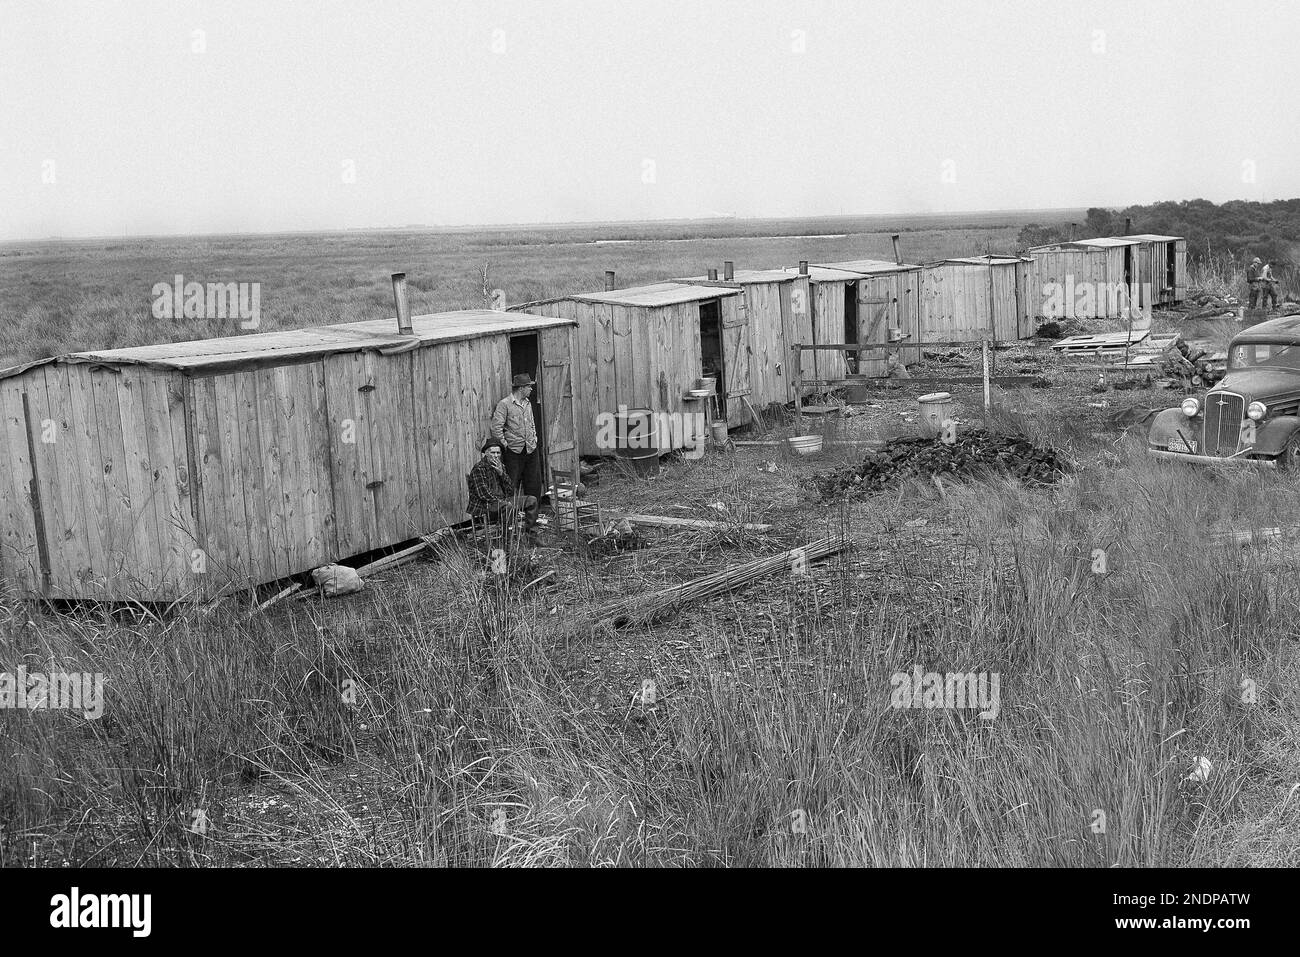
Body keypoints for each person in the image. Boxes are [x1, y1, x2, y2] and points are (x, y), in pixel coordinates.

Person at [491, 373, 544, 504]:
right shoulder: (505, 404)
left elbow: (532, 423)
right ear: (521, 388)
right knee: (511, 485)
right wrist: (505, 446)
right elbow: (496, 428)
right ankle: (511, 518)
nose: (531, 389)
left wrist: (535, 438)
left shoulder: (528, 403)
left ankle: (533, 516)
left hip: (531, 449)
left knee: (534, 484)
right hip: (514, 452)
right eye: (529, 387)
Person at [466, 439, 538, 533]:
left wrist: (501, 474)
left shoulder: (501, 467)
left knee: (532, 500)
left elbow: (511, 491)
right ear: (486, 453)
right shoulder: (479, 468)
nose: (496, 456)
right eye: (493, 452)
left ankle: (531, 535)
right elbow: (483, 494)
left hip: (502, 503)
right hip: (486, 506)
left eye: (498, 453)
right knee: (507, 507)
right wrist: (503, 502)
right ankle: (507, 541)